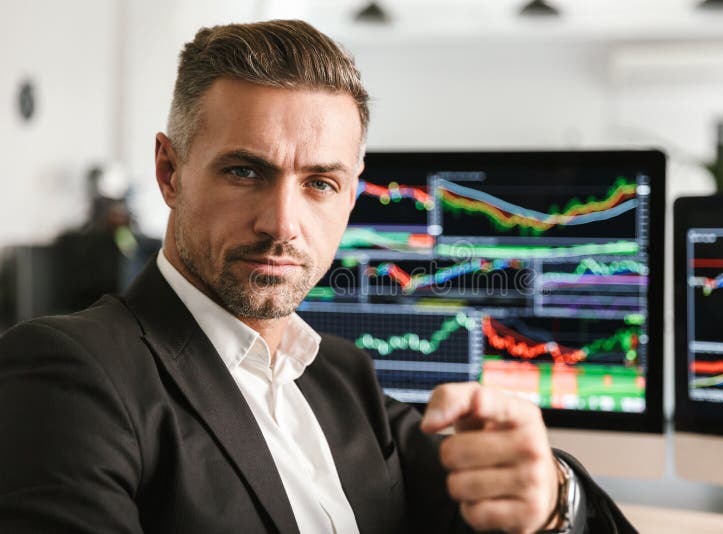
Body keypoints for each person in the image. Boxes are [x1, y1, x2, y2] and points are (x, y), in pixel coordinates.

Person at [0, 20, 633, 533]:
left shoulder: (342, 377)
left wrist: (553, 497)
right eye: (245, 172)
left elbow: (502, 501)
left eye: (320, 183)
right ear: (170, 171)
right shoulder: (68, 372)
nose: (283, 224)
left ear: (352, 196)